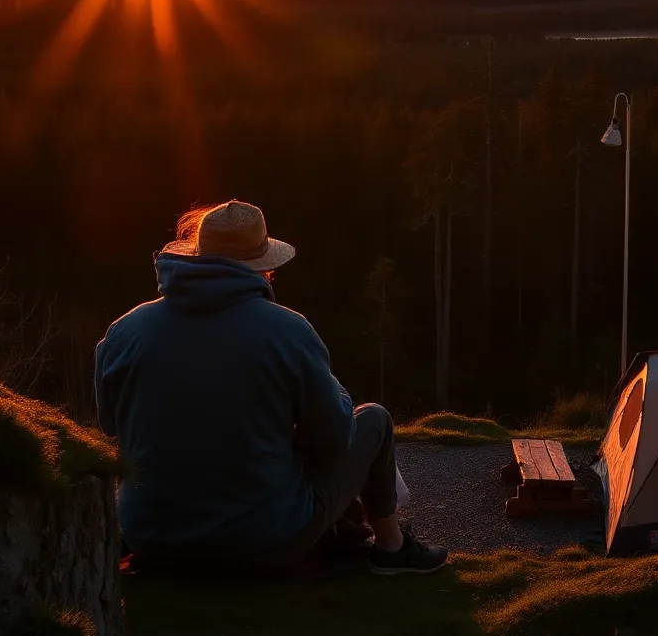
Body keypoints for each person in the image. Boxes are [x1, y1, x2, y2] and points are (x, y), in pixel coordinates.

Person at [94, 199, 448, 575]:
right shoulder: (288, 331)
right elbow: (335, 439)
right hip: (262, 543)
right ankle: (391, 549)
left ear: (195, 255)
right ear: (263, 267)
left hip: (152, 541)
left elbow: (110, 425)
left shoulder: (125, 331)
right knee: (374, 420)